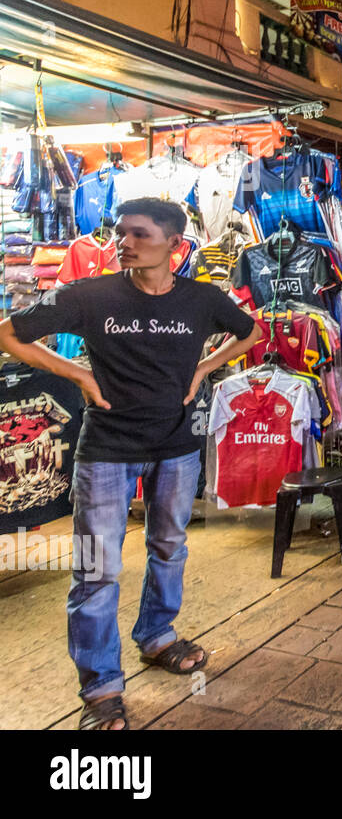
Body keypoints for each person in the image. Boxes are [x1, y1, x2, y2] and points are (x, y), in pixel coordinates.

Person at [0, 197, 264, 730]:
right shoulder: (89, 294)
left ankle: (157, 637)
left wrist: (203, 371)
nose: (125, 242)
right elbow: (9, 333)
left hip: (176, 445)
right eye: (121, 233)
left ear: (174, 245)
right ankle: (100, 688)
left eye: (140, 234)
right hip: (107, 449)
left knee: (168, 547)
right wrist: (77, 374)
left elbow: (251, 332)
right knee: (96, 569)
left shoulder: (201, 298)